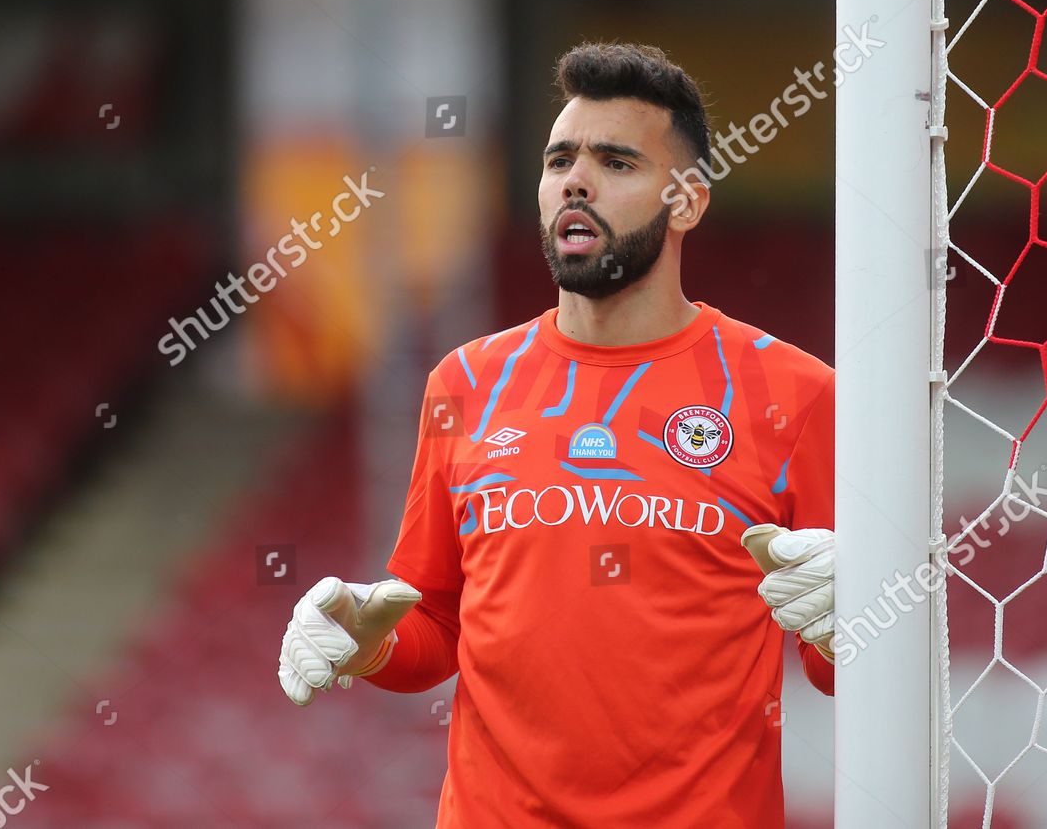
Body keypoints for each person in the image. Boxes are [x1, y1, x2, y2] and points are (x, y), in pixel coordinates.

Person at [278, 41, 837, 828]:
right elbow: (434, 625)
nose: (575, 179)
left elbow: (836, 664)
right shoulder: (464, 384)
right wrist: (362, 642)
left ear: (687, 201)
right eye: (559, 160)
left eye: (616, 162)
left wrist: (865, 614)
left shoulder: (796, 395)